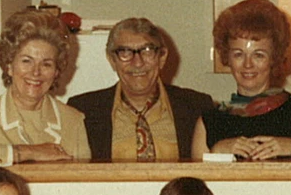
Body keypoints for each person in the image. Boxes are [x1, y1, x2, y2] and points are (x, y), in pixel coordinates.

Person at [0, 9, 90, 173]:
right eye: (26, 61)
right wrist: (28, 152)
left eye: (46, 64)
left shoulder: (73, 121)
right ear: (9, 65)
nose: (35, 72)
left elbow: (83, 185)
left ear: (56, 72)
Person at [67, 17, 215, 162]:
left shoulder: (198, 107)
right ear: (112, 60)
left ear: (162, 57)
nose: (137, 62)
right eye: (125, 52)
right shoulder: (81, 111)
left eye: (147, 51)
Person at [191, 0, 291, 161]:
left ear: (274, 59)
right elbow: (194, 184)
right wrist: (215, 153)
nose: (248, 64)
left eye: (258, 55)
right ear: (226, 57)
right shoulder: (209, 122)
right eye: (238, 54)